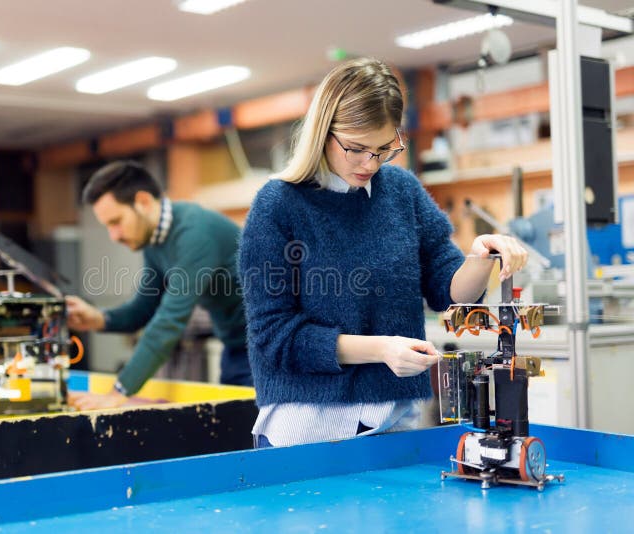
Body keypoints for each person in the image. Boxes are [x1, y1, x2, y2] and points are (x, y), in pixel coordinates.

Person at [238, 58, 528, 448]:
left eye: (384, 148)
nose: (369, 163)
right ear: (323, 132)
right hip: (306, 429)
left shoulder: (401, 191)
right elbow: (274, 336)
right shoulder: (278, 205)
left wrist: (480, 258)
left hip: (392, 419)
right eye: (355, 149)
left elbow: (449, 289)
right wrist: (381, 349)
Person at [66, 160, 252, 410]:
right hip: (236, 347)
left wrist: (117, 393)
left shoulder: (194, 232)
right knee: (237, 427)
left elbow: (168, 321)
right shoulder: (155, 242)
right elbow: (143, 308)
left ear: (142, 202)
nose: (114, 235)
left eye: (116, 221)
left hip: (270, 349)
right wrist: (98, 319)